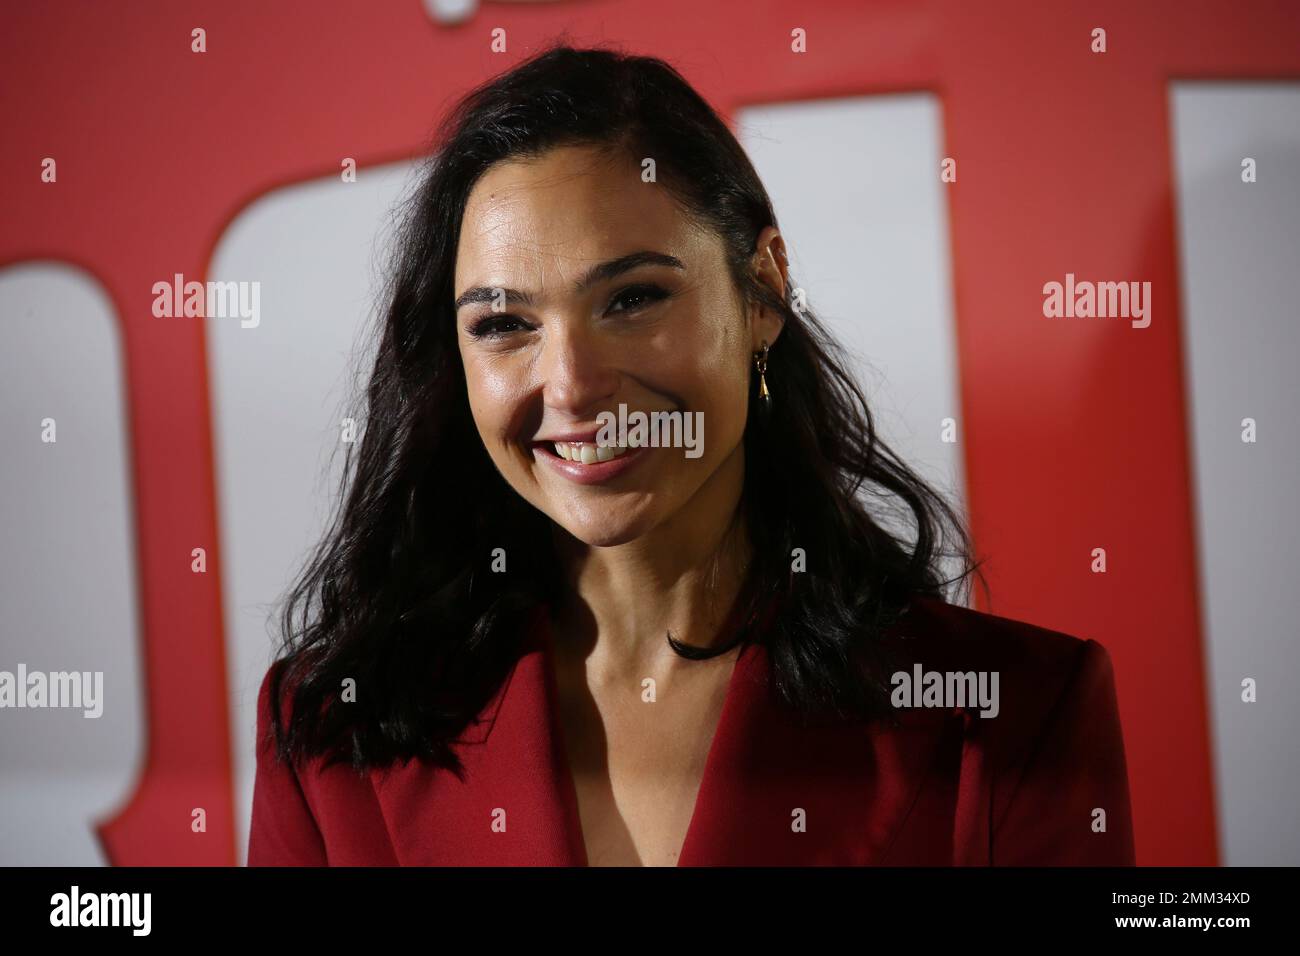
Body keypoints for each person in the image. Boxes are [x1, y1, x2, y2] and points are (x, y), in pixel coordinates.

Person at [247, 43, 1135, 867]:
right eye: (504, 324)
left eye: (632, 298)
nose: (571, 387)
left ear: (764, 290)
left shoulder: (1012, 716)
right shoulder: (329, 736)